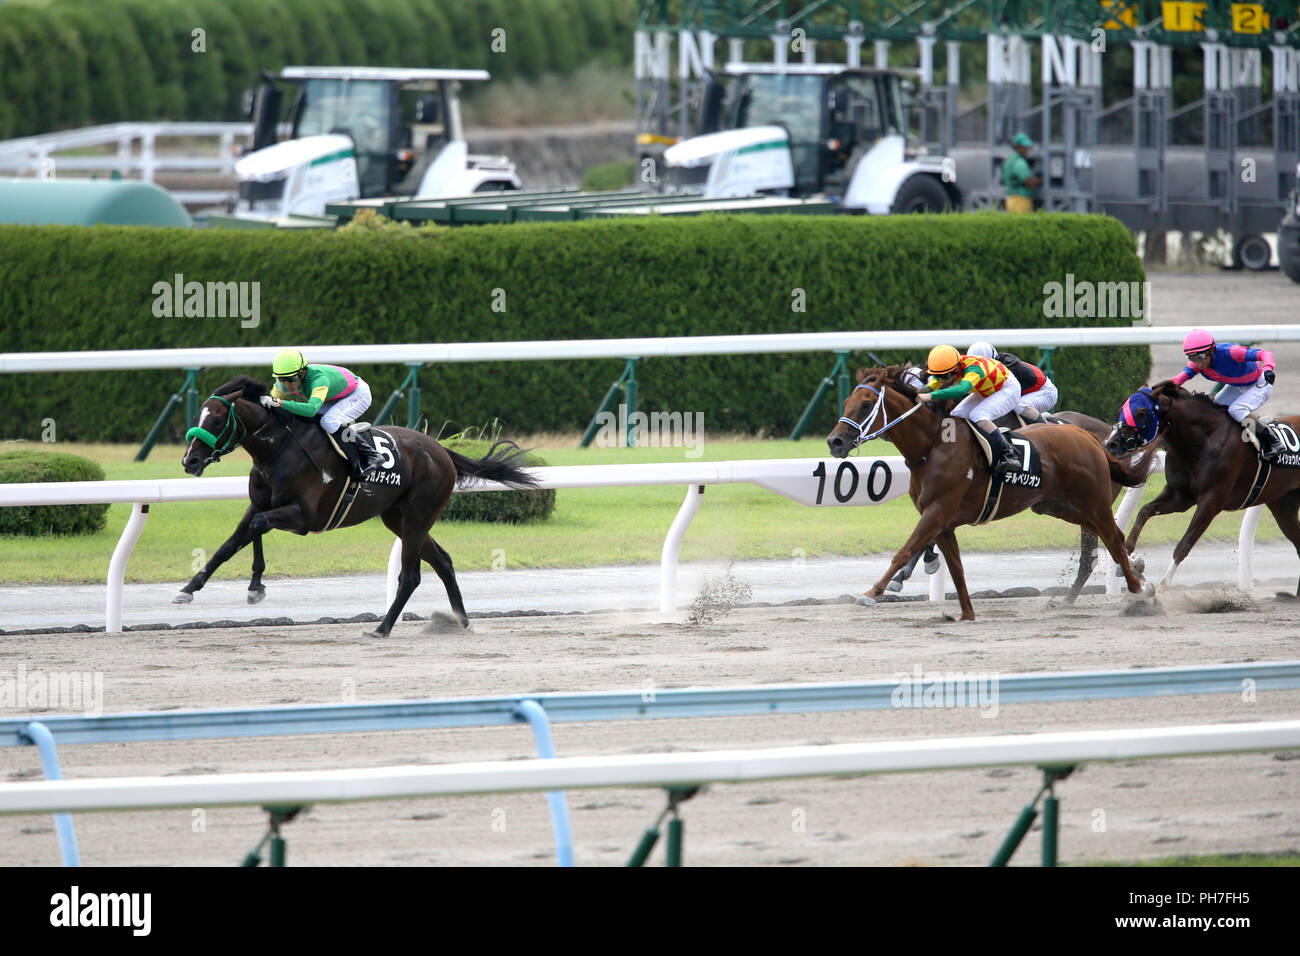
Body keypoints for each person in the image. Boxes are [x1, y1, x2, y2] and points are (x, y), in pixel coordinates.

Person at [261, 348, 384, 480]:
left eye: (291, 379)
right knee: (312, 420)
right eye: (281, 379)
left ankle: (372, 455)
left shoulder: (319, 379)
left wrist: (280, 403)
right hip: (334, 396)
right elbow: (269, 404)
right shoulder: (283, 385)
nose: (287, 385)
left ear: (302, 373)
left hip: (357, 394)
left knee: (329, 421)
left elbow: (311, 409)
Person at [1172, 329, 1279, 461]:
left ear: (1211, 351)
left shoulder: (1232, 352)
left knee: (1236, 410)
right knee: (1213, 407)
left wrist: (1268, 369)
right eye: (1192, 358)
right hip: (1237, 386)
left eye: (1200, 357)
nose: (1198, 363)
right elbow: (1177, 381)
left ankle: (1271, 439)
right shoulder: (1196, 365)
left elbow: (1265, 354)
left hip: (1260, 384)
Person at [916, 344, 1022, 475]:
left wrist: (931, 395)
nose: (941, 381)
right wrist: (921, 391)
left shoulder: (973, 369)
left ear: (955, 370)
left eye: (944, 377)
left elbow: (961, 390)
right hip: (986, 389)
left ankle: (1010, 454)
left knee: (978, 415)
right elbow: (934, 383)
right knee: (957, 414)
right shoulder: (949, 368)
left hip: (1007, 389)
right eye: (939, 376)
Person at [967, 341, 1060, 424]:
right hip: (1026, 393)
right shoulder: (993, 363)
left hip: (1045, 393)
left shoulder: (1008, 366)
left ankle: (1046, 429)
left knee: (1019, 406)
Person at [1003, 132, 1041, 214]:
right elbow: (1029, 182)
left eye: (1027, 146)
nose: (1027, 148)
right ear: (1018, 147)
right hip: (1020, 201)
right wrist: (1043, 180)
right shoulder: (1019, 162)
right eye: (1024, 146)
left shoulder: (1010, 160)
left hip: (1011, 199)